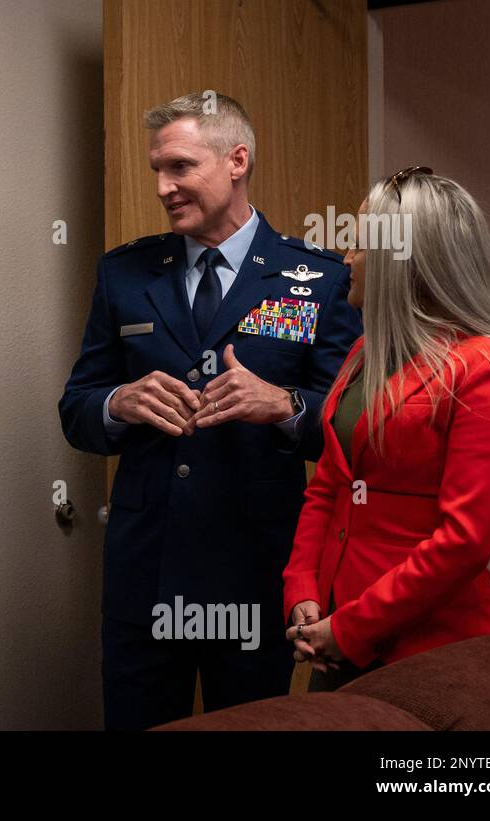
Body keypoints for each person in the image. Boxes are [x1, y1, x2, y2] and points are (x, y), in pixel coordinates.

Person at [58, 92, 362, 730]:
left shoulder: (313, 278)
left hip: (254, 575)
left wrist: (282, 404)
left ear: (237, 161)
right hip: (146, 581)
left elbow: (350, 429)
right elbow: (77, 408)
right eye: (157, 171)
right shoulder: (125, 274)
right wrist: (119, 402)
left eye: (180, 167)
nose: (164, 187)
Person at [284, 169, 490, 690]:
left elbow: (464, 541)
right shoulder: (365, 355)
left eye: (358, 246)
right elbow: (328, 485)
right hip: (335, 644)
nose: (347, 260)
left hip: (432, 653)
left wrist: (351, 626)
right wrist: (302, 592)